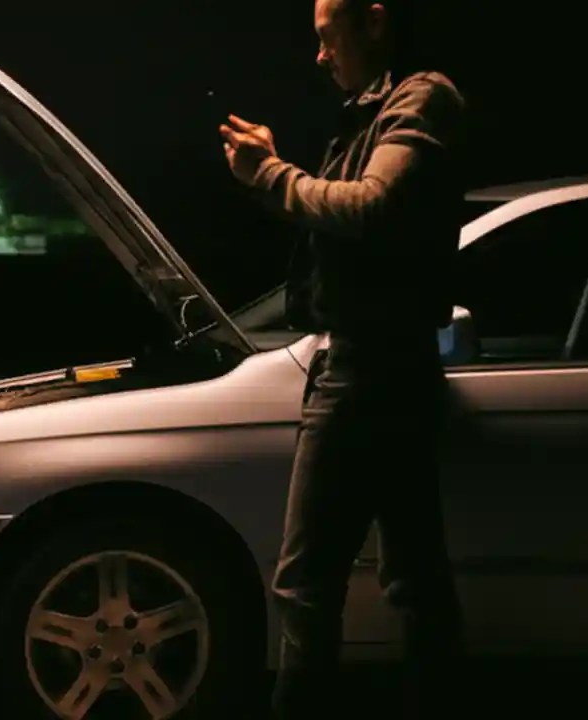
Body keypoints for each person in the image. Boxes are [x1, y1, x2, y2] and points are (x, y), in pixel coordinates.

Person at [217, 0, 467, 717]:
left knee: (305, 585)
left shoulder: (422, 96)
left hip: (370, 372)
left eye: (328, 38)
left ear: (375, 21)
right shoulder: (374, 110)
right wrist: (270, 168)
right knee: (414, 577)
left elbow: (369, 208)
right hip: (381, 368)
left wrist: (268, 173)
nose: (320, 56)